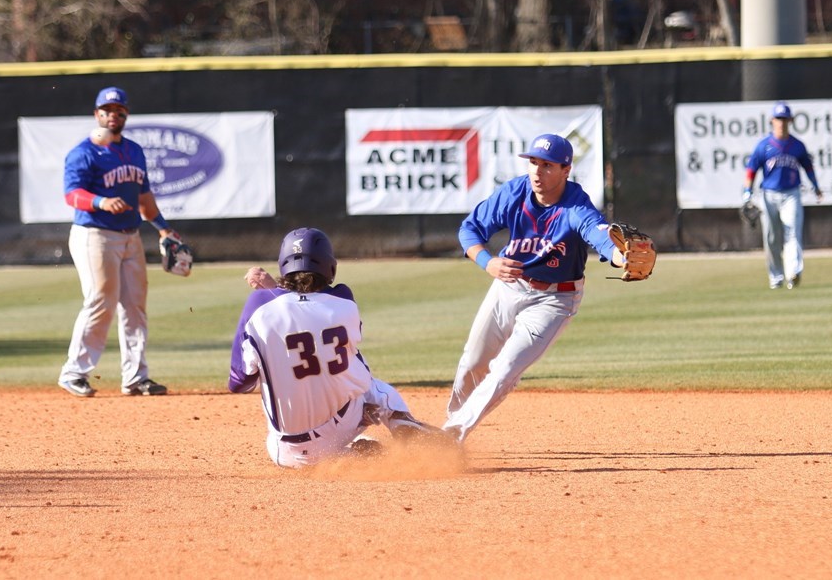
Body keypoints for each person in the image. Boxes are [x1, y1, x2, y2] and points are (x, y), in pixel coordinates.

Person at [442, 133, 639, 444]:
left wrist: (619, 256)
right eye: (533, 162)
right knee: (472, 362)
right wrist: (487, 261)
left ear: (566, 170)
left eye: (547, 165)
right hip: (507, 286)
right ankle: (449, 425)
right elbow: (470, 229)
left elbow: (598, 234)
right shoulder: (515, 192)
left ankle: (450, 436)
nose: (537, 171)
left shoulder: (576, 204)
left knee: (506, 367)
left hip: (554, 299)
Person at [229, 227, 446, 469]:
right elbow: (310, 309)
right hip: (339, 427)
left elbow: (240, 383)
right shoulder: (344, 299)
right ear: (329, 267)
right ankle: (401, 423)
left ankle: (346, 455)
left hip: (284, 452)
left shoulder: (258, 306)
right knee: (373, 387)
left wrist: (270, 293)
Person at [57, 86, 179, 397]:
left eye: (118, 109)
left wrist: (164, 229)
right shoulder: (83, 152)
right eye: (106, 110)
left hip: (131, 235)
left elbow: (144, 199)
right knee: (101, 300)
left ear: (126, 114)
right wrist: (100, 201)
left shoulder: (135, 151)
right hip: (94, 235)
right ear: (96, 114)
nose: (113, 114)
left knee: (135, 306)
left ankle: (135, 377)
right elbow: (72, 194)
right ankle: (74, 372)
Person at [741, 101, 823, 290]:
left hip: (791, 194)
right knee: (771, 237)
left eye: (785, 119)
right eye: (779, 118)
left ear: (791, 120)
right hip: (768, 195)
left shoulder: (797, 146)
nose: (782, 122)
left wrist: (816, 186)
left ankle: (793, 273)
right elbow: (751, 171)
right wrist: (747, 193)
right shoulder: (764, 146)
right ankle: (776, 277)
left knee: (792, 232)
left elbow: (808, 167)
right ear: (772, 120)